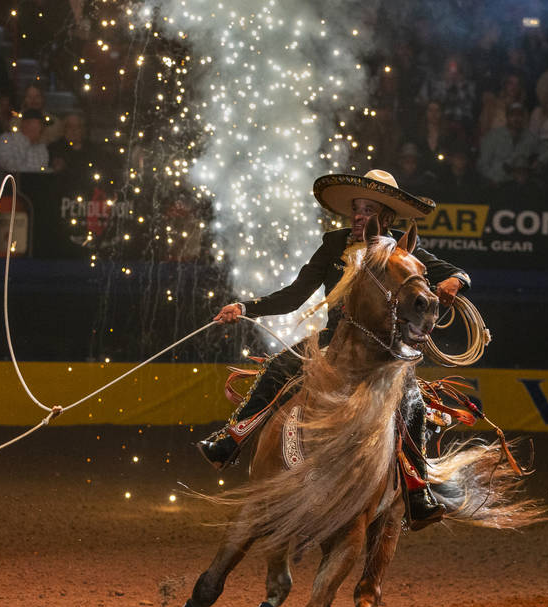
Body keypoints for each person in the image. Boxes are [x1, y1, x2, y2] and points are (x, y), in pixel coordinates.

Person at [198, 169, 471, 530]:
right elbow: (295, 295)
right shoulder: (334, 244)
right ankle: (231, 439)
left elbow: (459, 272)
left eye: (368, 210)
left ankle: (417, 490)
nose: (358, 216)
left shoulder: (402, 252)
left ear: (386, 217)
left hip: (386, 351)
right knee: (277, 367)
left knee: (412, 404)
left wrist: (454, 281)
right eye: (356, 209)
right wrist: (245, 307)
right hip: (335, 339)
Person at [476, 101, 540, 185]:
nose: (516, 118)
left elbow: (546, 150)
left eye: (520, 115)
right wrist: (493, 178)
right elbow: (482, 165)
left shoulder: (529, 137)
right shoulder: (493, 136)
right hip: (497, 182)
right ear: (507, 117)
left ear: (524, 118)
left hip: (522, 183)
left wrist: (539, 162)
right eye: (513, 115)